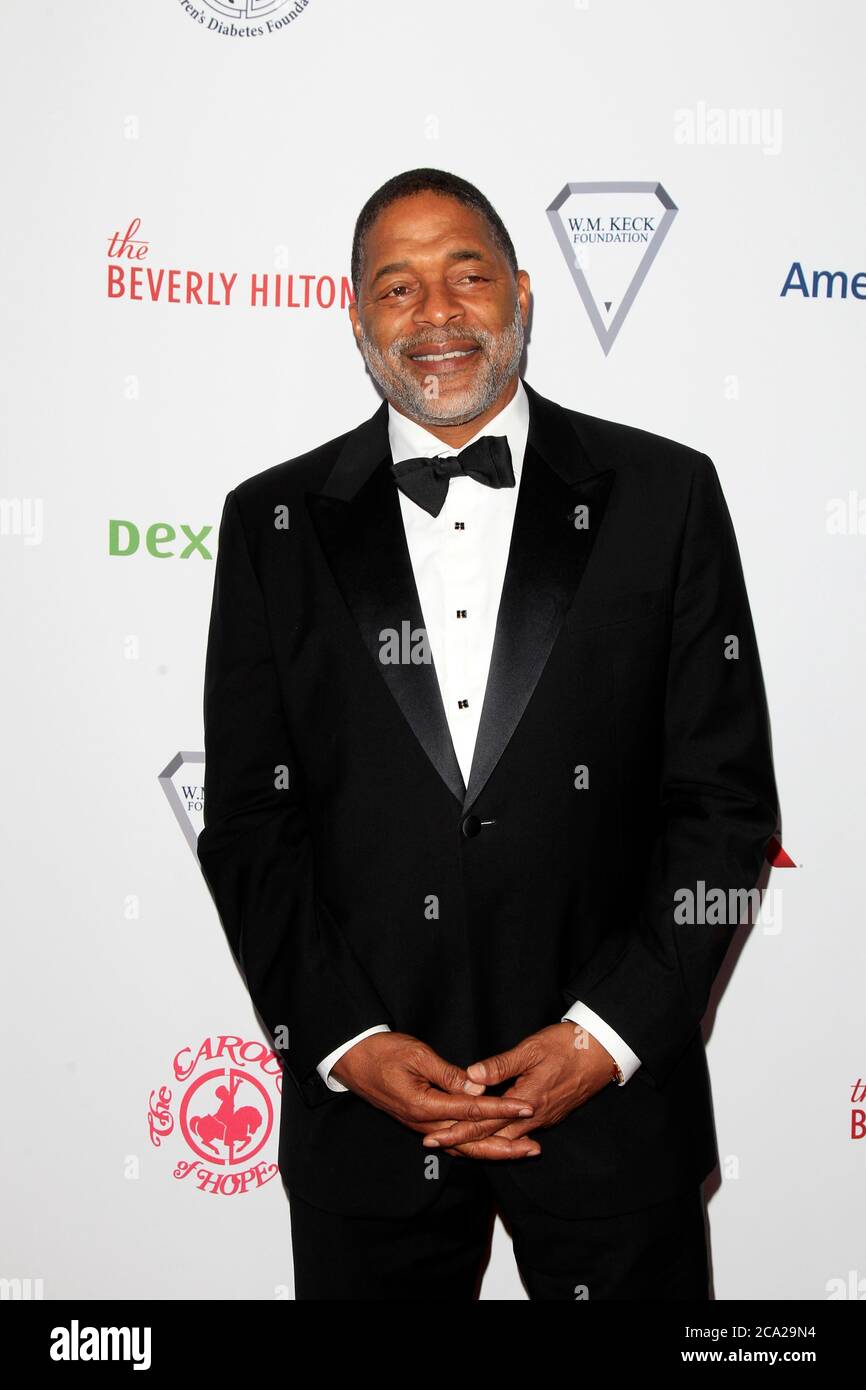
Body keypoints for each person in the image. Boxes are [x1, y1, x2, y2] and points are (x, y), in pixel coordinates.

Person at [196, 167, 779, 1300]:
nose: (436, 315)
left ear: (518, 291)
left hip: (614, 1111)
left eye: (465, 276)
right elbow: (252, 826)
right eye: (396, 287)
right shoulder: (270, 523)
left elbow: (721, 806)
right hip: (364, 1126)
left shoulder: (663, 495)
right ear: (355, 316)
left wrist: (604, 1035)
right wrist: (346, 1039)